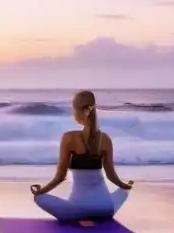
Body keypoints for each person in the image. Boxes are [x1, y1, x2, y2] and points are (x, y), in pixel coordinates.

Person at [30, 90, 133, 225]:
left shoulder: (69, 138)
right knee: (122, 193)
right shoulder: (105, 139)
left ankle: (82, 218)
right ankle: (98, 214)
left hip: (77, 209)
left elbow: (60, 177)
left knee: (39, 198)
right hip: (105, 208)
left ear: (78, 111)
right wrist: (124, 186)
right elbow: (111, 176)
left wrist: (41, 191)